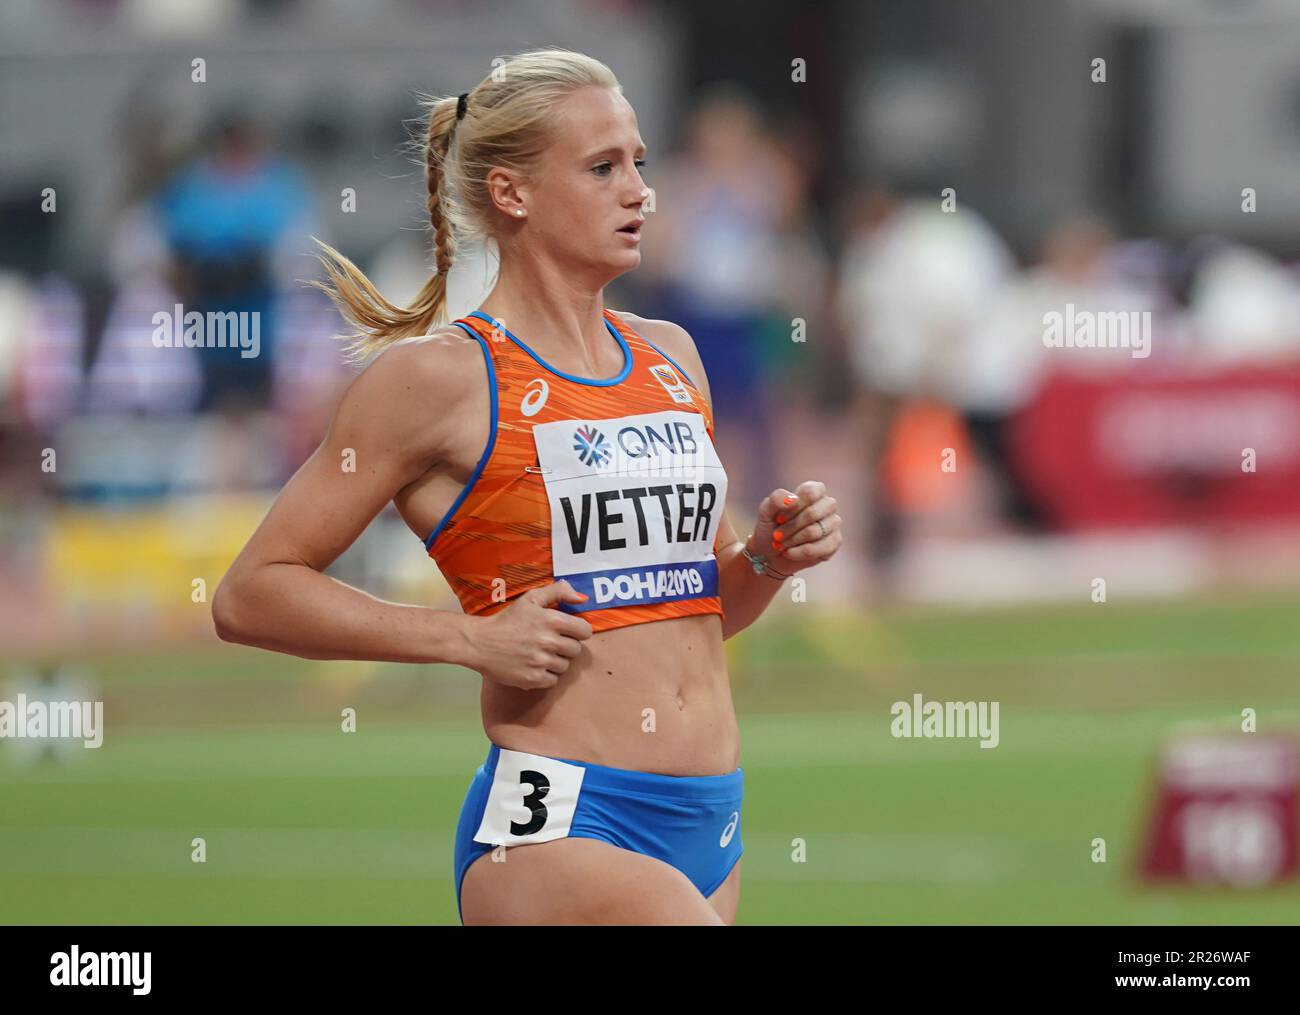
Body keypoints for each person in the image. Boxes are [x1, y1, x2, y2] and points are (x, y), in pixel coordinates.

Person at [212, 48, 842, 926]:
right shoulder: (438, 381)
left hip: (710, 822)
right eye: (603, 168)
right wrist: (467, 639)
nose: (641, 192)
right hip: (560, 824)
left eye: (639, 163)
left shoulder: (672, 356)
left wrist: (767, 560)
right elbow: (250, 594)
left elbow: (698, 612)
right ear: (511, 192)